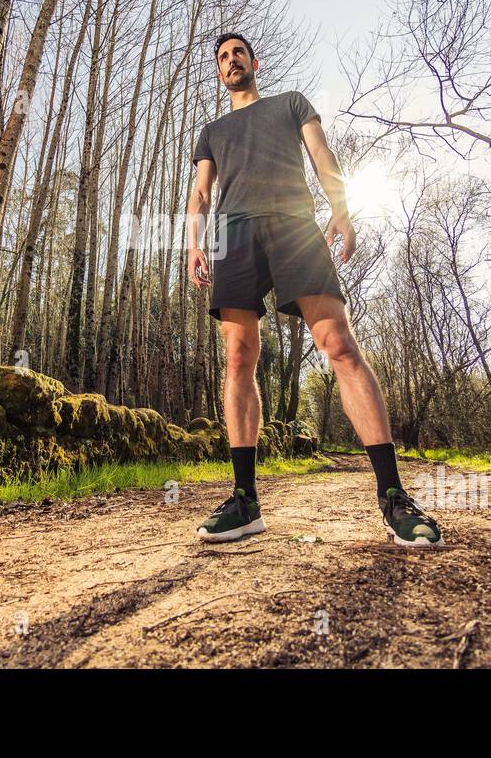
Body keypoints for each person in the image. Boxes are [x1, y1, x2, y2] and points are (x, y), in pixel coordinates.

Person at [185, 32, 443, 547]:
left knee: (340, 347)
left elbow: (322, 153)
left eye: (237, 53)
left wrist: (341, 207)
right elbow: (200, 191)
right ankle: (245, 501)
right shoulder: (211, 131)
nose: (230, 61)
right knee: (238, 357)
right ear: (219, 72)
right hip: (233, 236)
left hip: (293, 223)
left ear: (254, 61)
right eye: (222, 58)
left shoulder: (289, 103)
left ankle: (393, 498)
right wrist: (195, 243)